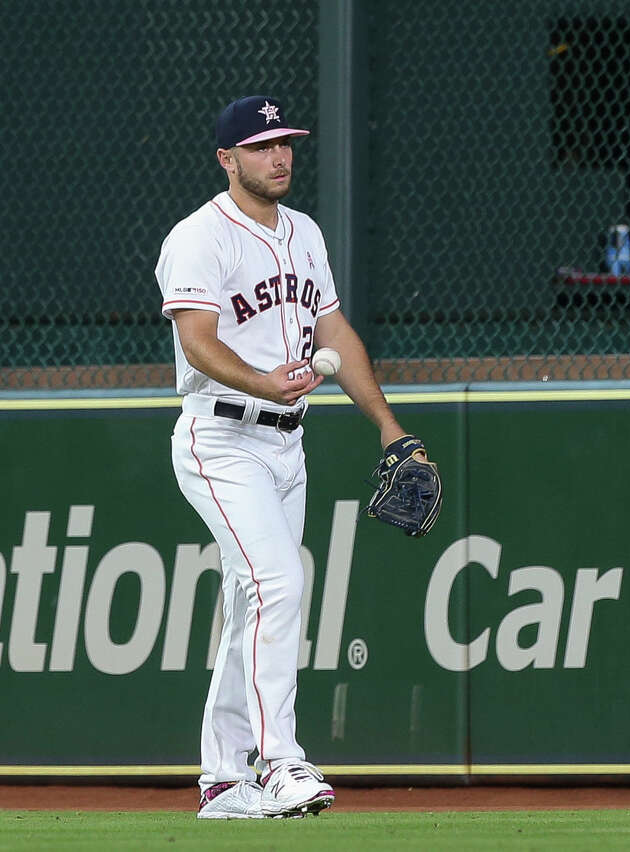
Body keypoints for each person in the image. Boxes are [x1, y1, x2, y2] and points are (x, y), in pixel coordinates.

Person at [156, 95, 423, 819]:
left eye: (286, 143)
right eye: (261, 145)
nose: (279, 156)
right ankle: (281, 763)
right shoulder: (201, 237)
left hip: (287, 444)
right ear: (227, 158)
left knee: (253, 602)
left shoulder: (304, 233)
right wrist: (262, 379)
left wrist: (388, 429)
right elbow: (197, 340)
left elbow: (335, 328)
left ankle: (221, 780)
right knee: (279, 582)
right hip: (221, 436)